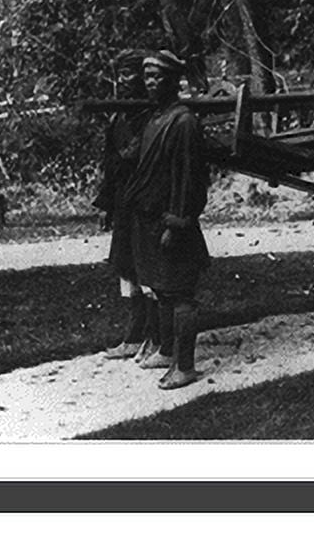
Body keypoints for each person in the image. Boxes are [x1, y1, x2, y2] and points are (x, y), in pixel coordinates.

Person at [121, 49, 211, 389]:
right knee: (160, 289)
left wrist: (177, 223)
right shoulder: (155, 119)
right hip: (149, 220)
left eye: (158, 77)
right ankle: (166, 350)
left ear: (174, 81)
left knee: (180, 294)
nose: (151, 83)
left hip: (172, 222)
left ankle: (184, 366)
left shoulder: (183, 122)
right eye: (148, 77)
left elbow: (188, 180)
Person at [95, 50, 156, 362]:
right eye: (120, 74)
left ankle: (156, 335)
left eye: (130, 74)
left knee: (148, 265)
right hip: (123, 202)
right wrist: (107, 205)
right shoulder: (118, 117)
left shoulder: (154, 116)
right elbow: (110, 163)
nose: (124, 81)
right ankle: (133, 335)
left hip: (146, 200)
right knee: (124, 264)